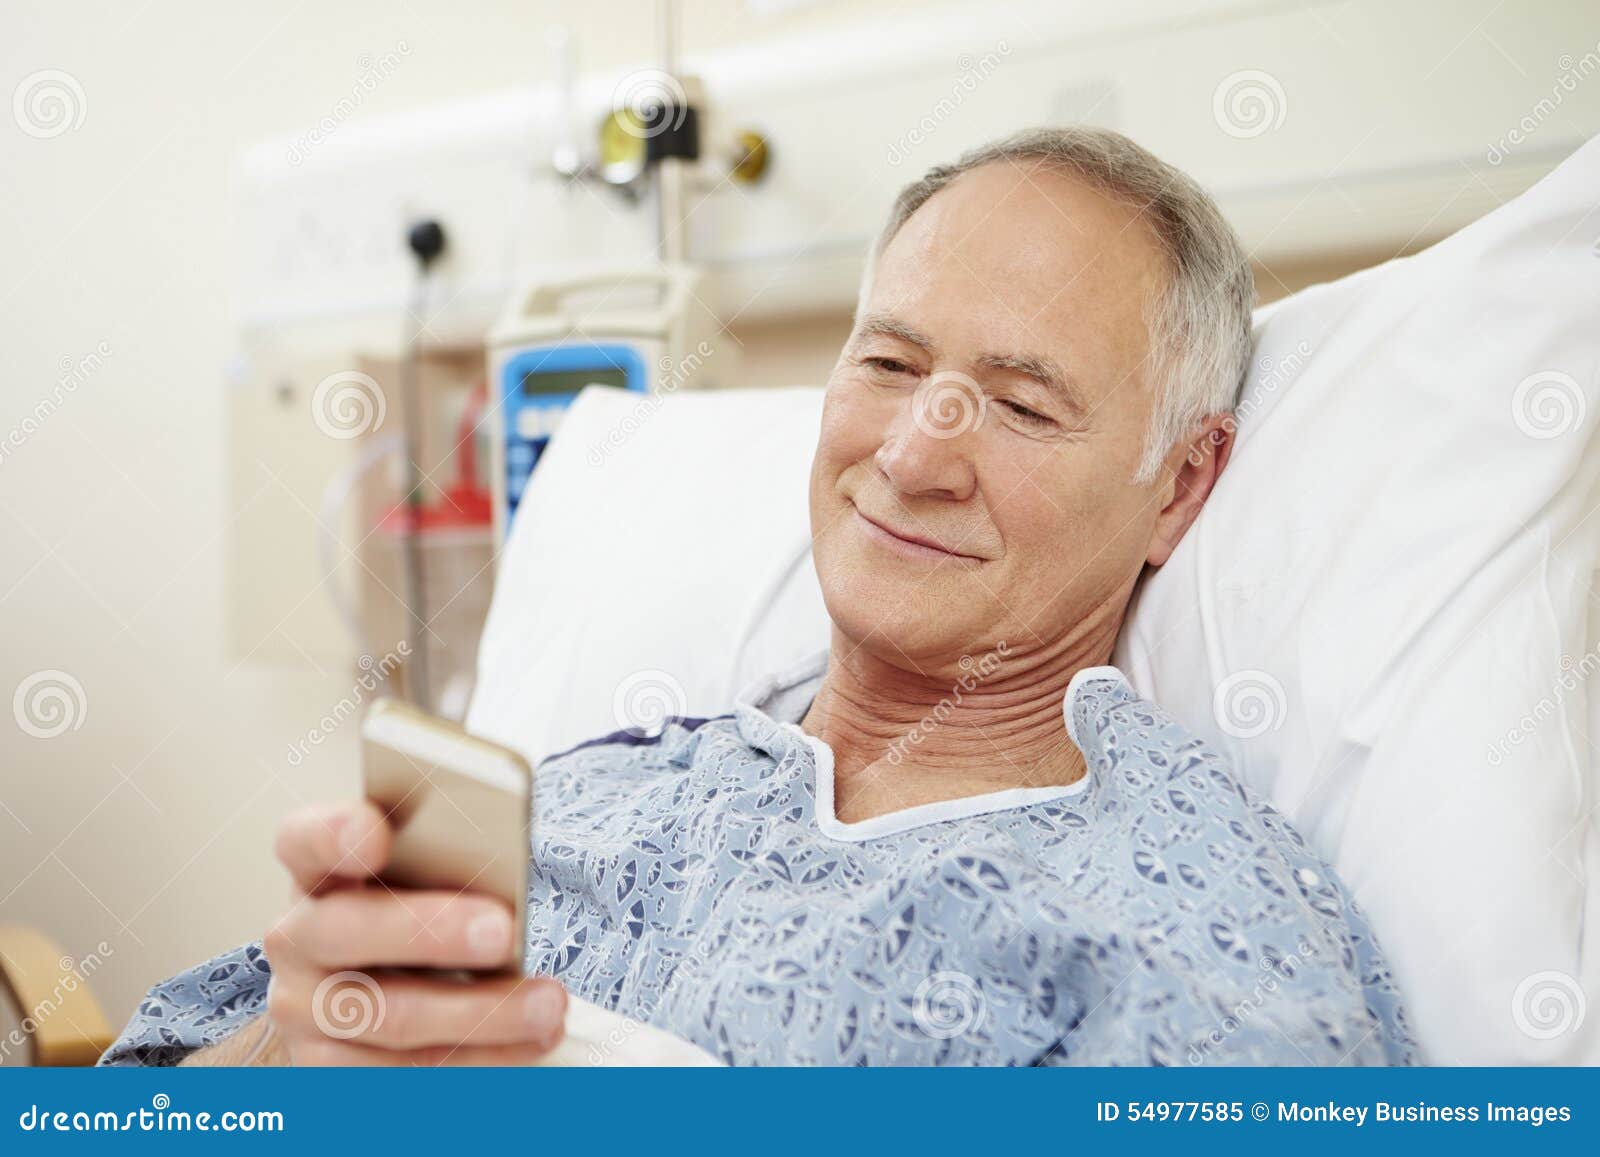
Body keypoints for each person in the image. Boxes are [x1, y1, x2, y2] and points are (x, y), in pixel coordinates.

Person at [101, 127, 1416, 1067]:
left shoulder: (1191, 916)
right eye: (889, 365)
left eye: (1022, 405)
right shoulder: (582, 799)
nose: (911, 457)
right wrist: (286, 1058)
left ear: (1180, 485)